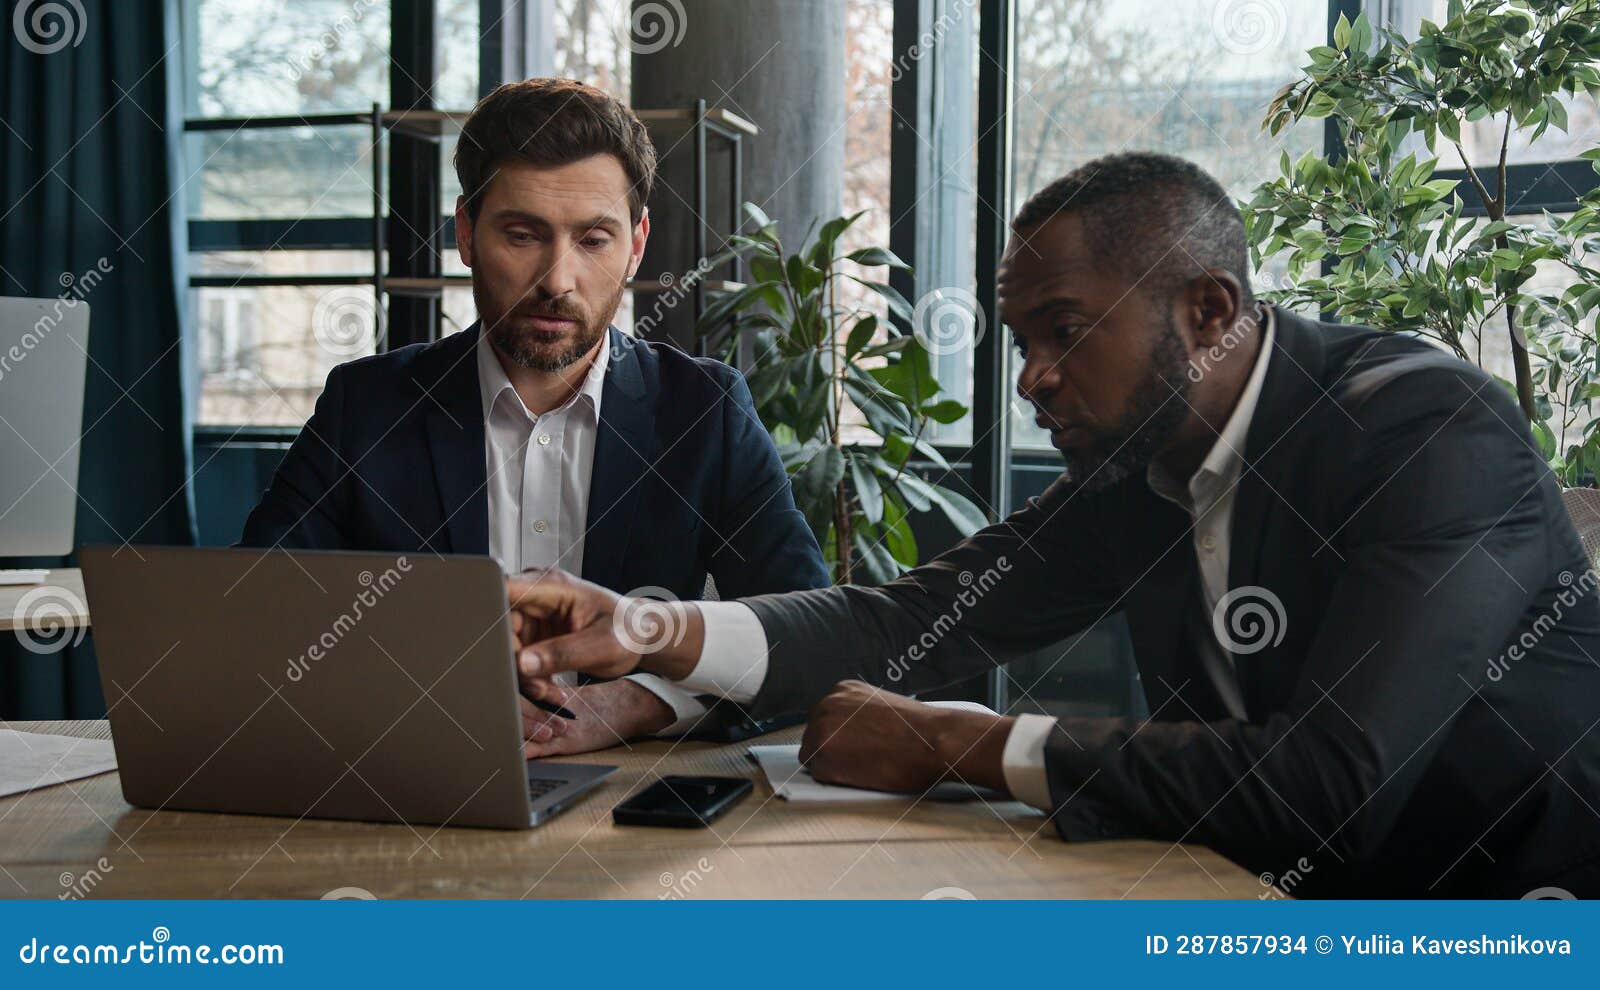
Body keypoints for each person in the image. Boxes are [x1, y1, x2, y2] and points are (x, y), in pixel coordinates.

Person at [500, 152, 1600, 898]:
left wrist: (957, 743)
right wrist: (649, 633)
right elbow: (912, 617)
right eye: (1021, 339)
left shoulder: (1425, 429)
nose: (1034, 379)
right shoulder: (1145, 464)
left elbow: (1329, 786)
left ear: (1207, 312)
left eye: (1066, 332)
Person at [239, 78, 827, 756]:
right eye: (522, 235)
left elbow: (803, 640)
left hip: (633, 798)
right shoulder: (364, 407)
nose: (557, 278)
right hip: (409, 781)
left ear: (636, 246)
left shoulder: (706, 413)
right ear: (465, 232)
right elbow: (262, 626)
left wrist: (640, 703)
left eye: (594, 240)